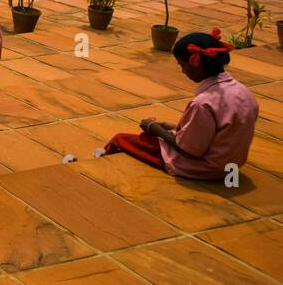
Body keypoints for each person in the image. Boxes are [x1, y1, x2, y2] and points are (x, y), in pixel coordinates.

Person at [102, 30, 258, 179]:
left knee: (121, 139)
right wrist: (171, 127)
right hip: (230, 165)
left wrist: (154, 128)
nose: (184, 72)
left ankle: (103, 166)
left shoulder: (203, 104)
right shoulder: (244, 92)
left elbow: (189, 150)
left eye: (183, 66)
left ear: (197, 64)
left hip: (204, 168)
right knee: (145, 139)